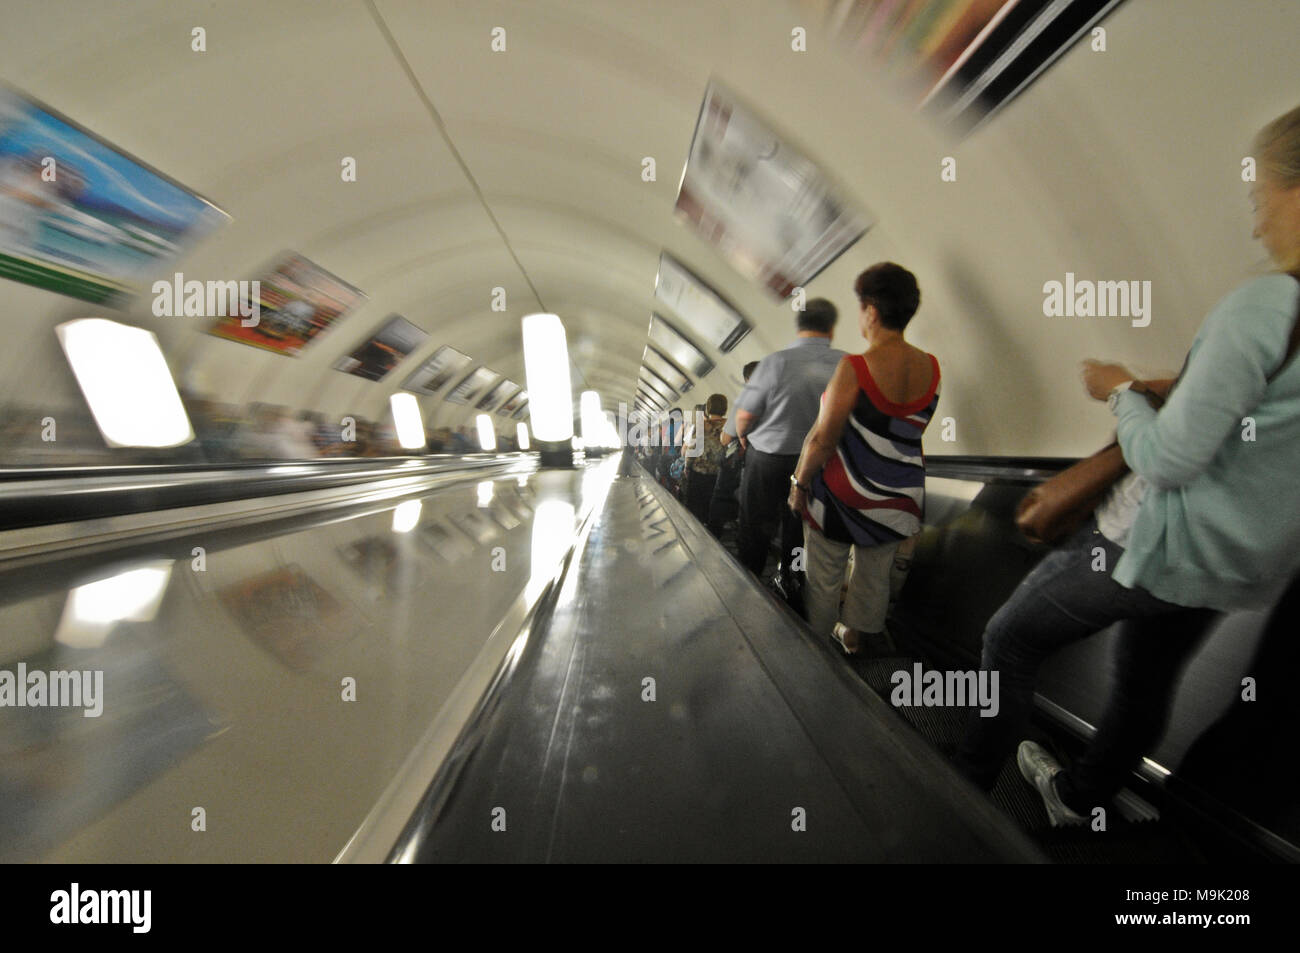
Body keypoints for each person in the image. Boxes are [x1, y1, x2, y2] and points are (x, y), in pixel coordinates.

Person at [954, 103, 1300, 827]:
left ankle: (962, 794)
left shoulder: (1265, 306)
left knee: (1009, 638)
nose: (1256, 222)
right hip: (1234, 569)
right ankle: (1080, 800)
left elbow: (1170, 460)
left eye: (1261, 196)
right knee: (1146, 686)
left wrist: (1117, 391)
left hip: (1148, 545)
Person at [788, 264, 939, 654]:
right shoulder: (932, 368)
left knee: (823, 579)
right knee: (873, 580)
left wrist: (799, 484)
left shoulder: (855, 366)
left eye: (861, 307)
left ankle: (817, 657)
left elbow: (823, 438)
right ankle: (855, 643)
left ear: (871, 310)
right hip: (898, 499)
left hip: (843, 496)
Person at [733, 299, 846, 591]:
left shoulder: (774, 362)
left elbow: (743, 418)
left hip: (767, 458)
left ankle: (748, 579)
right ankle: (792, 579)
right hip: (817, 462)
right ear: (831, 329)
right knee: (799, 524)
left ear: (799, 327)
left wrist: (745, 436)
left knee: (755, 522)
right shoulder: (846, 364)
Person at [711, 361, 760, 533]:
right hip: (773, 463)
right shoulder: (781, 397)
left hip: (745, 462)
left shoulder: (745, 400)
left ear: (747, 379)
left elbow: (726, 438)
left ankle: (714, 534)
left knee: (723, 495)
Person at [682, 394, 728, 530]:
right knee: (714, 511)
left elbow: (691, 450)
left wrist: (687, 467)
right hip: (720, 475)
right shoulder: (729, 426)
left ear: (708, 408)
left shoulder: (701, 425)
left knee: (695, 510)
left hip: (699, 473)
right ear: (725, 409)